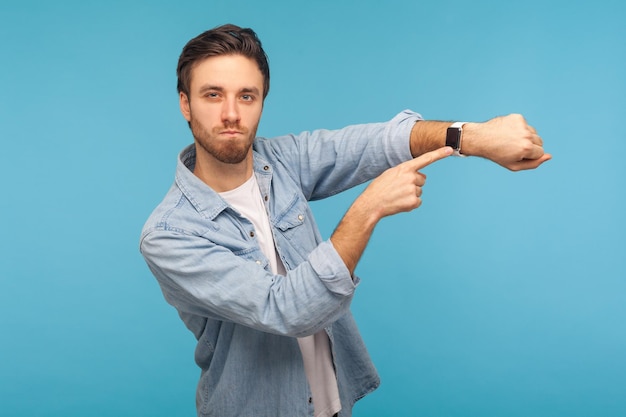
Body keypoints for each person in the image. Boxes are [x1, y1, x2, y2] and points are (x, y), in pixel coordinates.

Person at [139, 23, 551, 417]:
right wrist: (369, 207)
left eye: (246, 96)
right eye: (213, 95)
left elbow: (377, 142)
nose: (231, 113)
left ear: (262, 100)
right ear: (185, 103)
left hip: (333, 403)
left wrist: (471, 137)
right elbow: (285, 308)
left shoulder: (281, 161)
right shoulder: (169, 236)